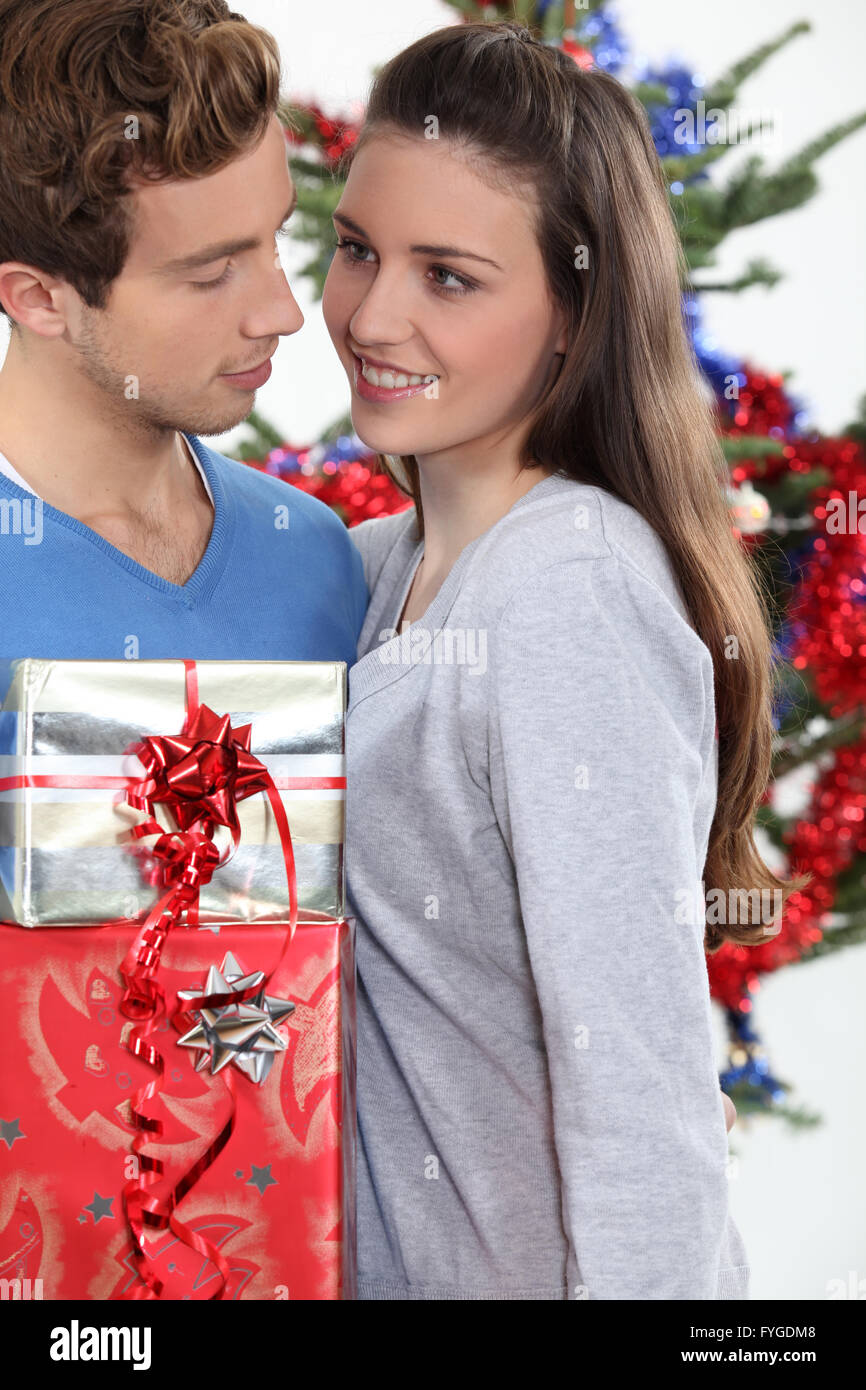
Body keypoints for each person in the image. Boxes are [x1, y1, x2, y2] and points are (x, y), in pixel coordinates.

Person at [324, 21, 807, 1300]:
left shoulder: (568, 590)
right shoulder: (388, 568)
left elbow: (638, 1083)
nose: (371, 315)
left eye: (449, 277)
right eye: (357, 249)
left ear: (570, 317)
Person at [0, 0, 366, 662]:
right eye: (213, 273)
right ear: (38, 299)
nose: (284, 313)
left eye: (275, 238)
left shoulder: (317, 559)